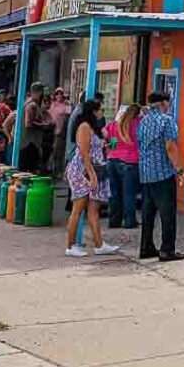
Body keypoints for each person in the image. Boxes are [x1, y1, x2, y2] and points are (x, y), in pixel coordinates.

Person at [64, 99, 118, 257]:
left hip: (92, 170)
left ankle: (99, 244)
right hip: (81, 172)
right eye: (101, 109)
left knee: (94, 208)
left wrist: (103, 146)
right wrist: (92, 176)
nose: (103, 112)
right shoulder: (84, 127)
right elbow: (84, 154)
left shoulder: (93, 128)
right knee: (78, 208)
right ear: (93, 111)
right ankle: (70, 245)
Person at [137, 89, 184, 261]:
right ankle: (167, 250)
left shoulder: (142, 122)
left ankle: (146, 247)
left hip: (145, 173)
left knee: (148, 213)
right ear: (164, 103)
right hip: (162, 174)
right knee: (168, 214)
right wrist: (179, 170)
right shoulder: (167, 121)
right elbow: (170, 147)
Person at [105, 103, 142, 229]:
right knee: (129, 193)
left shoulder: (113, 125)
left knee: (114, 193)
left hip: (112, 161)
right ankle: (129, 221)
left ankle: (114, 220)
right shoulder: (137, 123)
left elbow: (112, 143)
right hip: (129, 162)